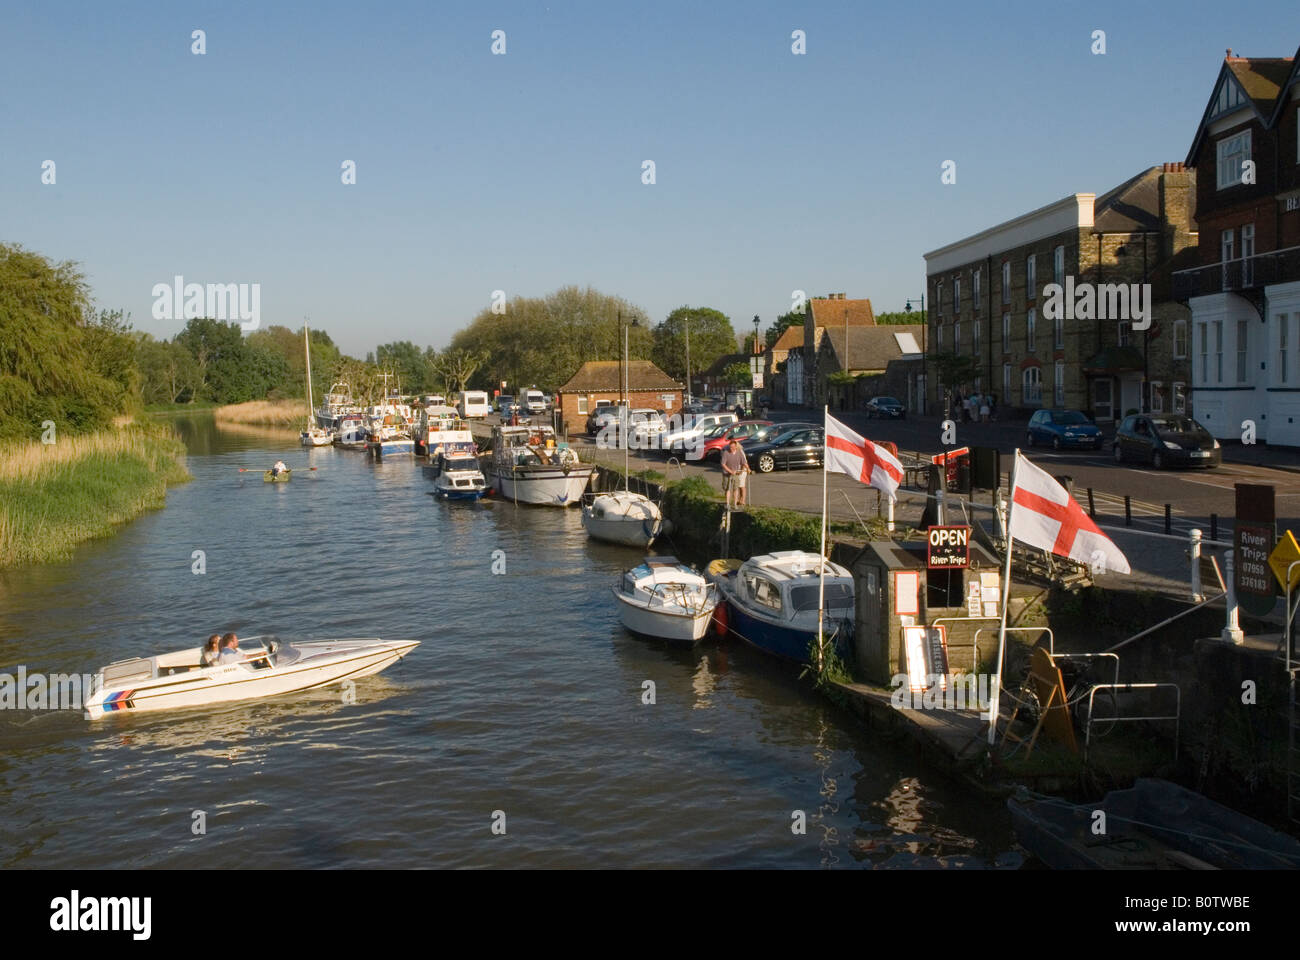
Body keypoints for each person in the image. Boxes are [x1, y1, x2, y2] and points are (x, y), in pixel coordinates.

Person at [720, 439, 749, 510]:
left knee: (736, 488)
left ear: (736, 447)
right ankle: (727, 503)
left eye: (733, 447)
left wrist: (748, 468)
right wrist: (730, 471)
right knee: (728, 489)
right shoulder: (726, 453)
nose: (731, 449)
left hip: (735, 473)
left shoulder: (739, 452)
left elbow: (744, 462)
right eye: (730, 447)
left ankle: (735, 504)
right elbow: (723, 464)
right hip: (727, 473)